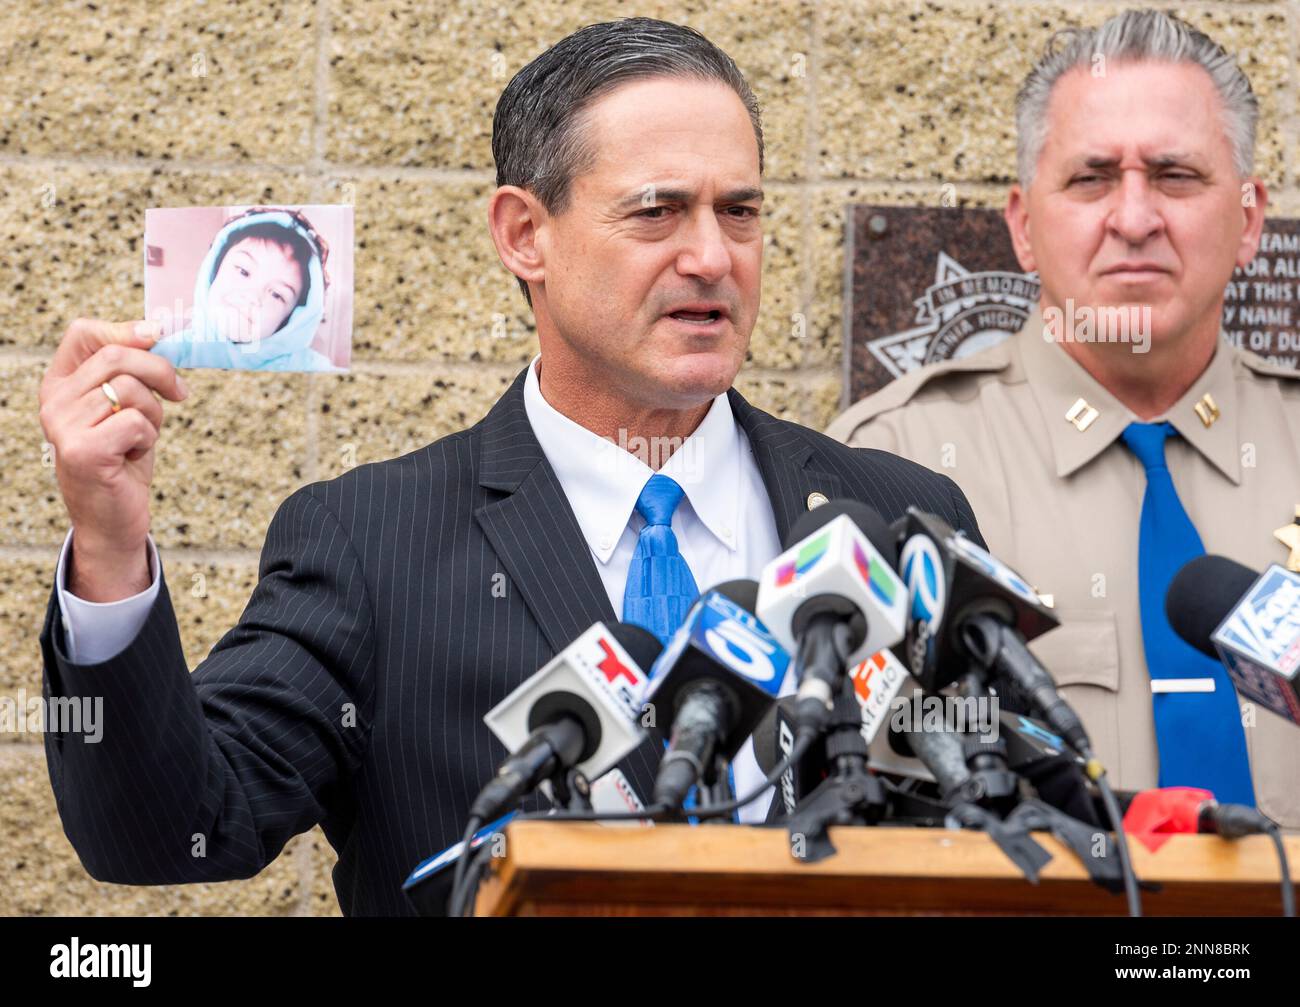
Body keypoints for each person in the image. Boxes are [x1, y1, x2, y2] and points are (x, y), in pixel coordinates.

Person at [36, 17, 983, 915]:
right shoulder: (371, 543)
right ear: (525, 234)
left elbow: (1005, 825)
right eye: (657, 211)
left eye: (739, 211)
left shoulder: (896, 516)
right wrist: (110, 548)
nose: (711, 256)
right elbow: (166, 829)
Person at [828, 9, 1300, 829]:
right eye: (1091, 179)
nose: (1134, 219)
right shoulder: (897, 463)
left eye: (1176, 176)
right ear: (1022, 225)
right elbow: (864, 796)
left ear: (1250, 220)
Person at [150, 206, 341, 372]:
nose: (252, 296)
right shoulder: (172, 353)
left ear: (291, 318)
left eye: (276, 294)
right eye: (243, 271)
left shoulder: (308, 367)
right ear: (213, 270)